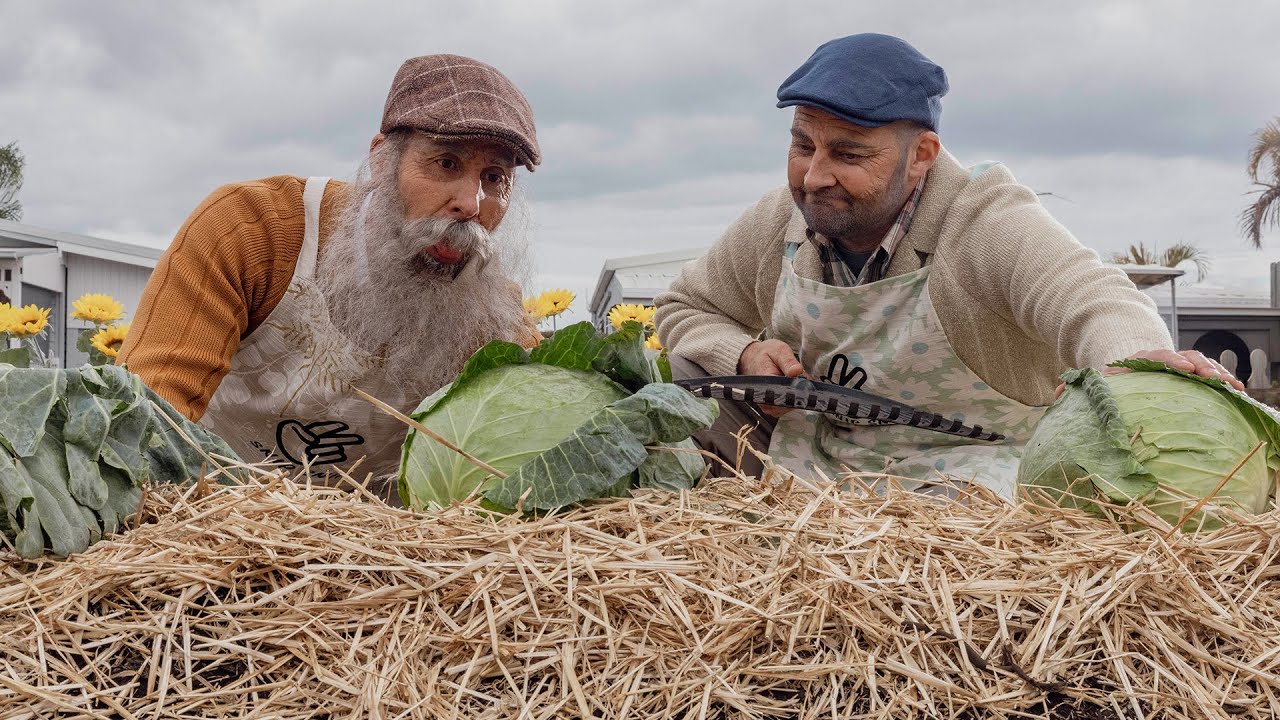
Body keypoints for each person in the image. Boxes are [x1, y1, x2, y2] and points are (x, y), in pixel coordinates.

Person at [654, 34, 1240, 498]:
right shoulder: (785, 217)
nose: (814, 176)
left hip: (964, 466)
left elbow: (1087, 297)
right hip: (812, 444)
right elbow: (686, 307)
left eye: (849, 153)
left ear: (921, 157)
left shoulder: (981, 219)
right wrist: (743, 356)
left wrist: (1134, 361)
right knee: (678, 383)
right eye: (804, 144)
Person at [119, 54, 542, 486]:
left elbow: (541, 438)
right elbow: (142, 418)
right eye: (446, 163)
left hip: (391, 547)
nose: (470, 204)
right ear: (382, 161)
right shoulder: (250, 230)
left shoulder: (491, 312)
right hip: (212, 522)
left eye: (494, 179)